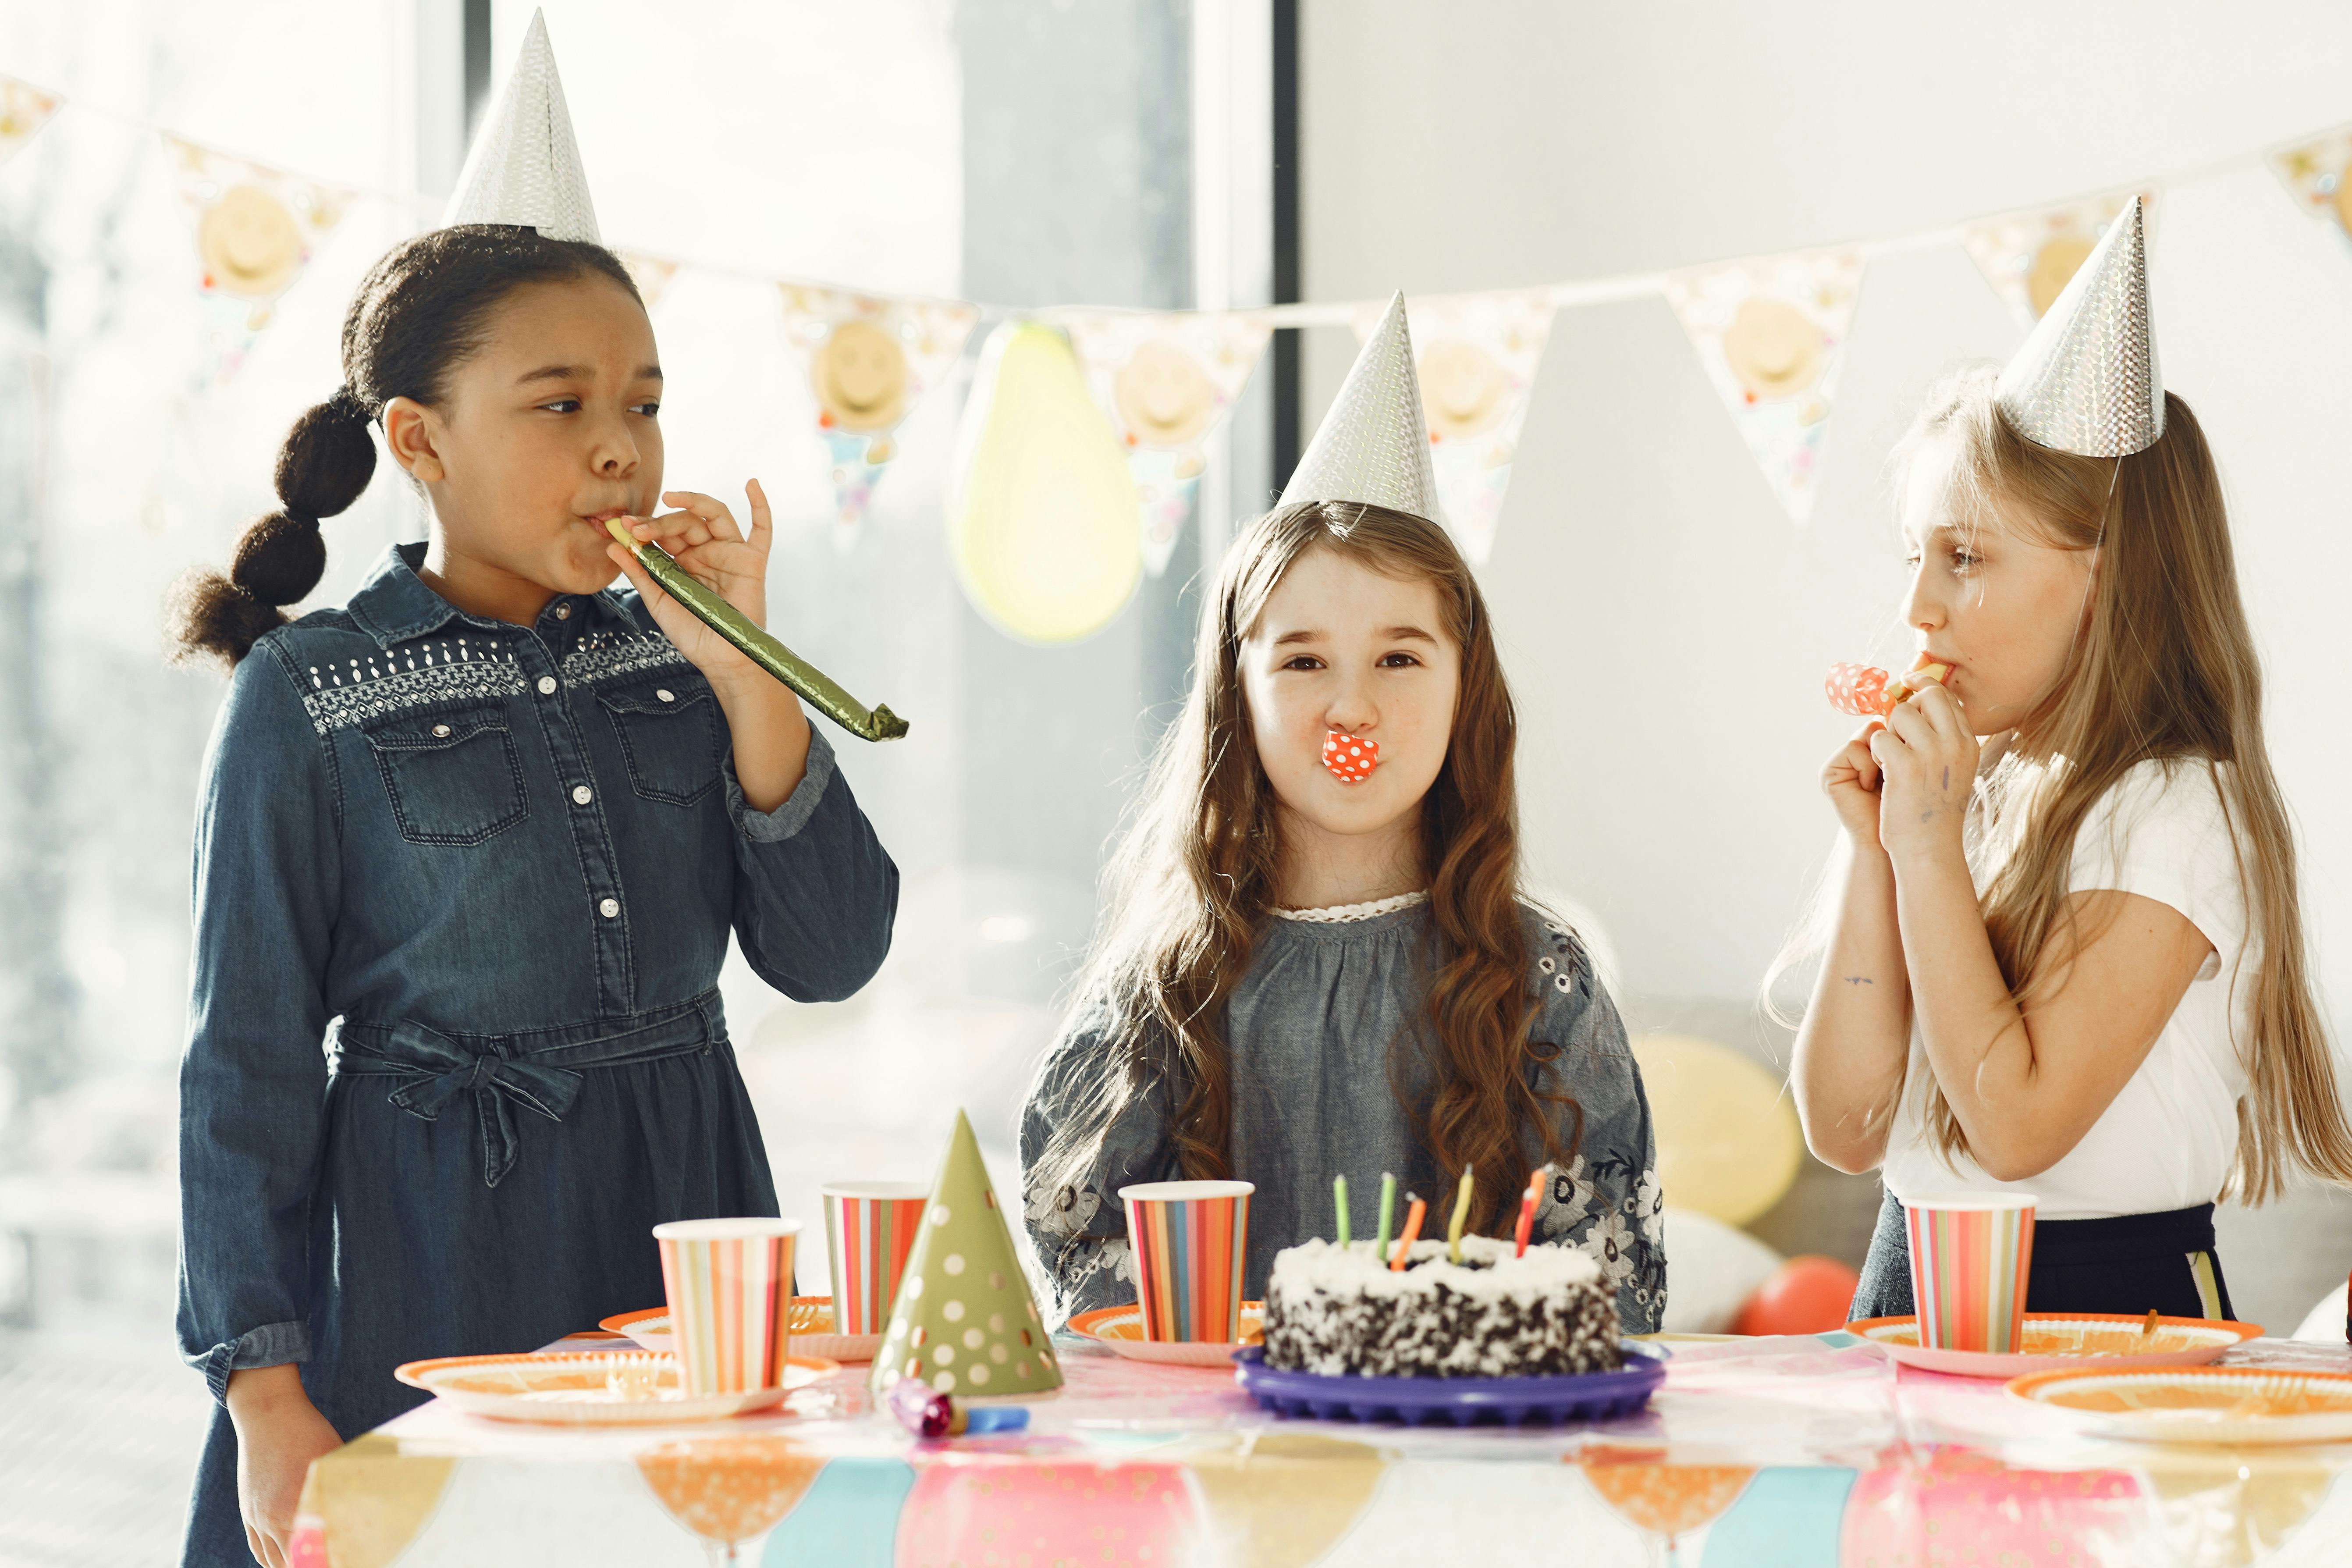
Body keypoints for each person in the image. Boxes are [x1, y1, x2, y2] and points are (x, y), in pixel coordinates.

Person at [169, 23, 898, 1568]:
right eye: (560, 406)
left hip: (689, 1241)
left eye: (643, 402)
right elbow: (243, 1064)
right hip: (432, 1254)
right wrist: (264, 1388)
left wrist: (741, 668)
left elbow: (830, 952)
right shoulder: (303, 692)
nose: (621, 451)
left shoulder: (682, 661)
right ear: (420, 440)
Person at [1020, 295, 1663, 1332]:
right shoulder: (1168, 982)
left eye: (1400, 657)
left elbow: (1605, 1270)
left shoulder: (1540, 978)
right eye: (1304, 659)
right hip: (1227, 1465)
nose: (1351, 705)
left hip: (1469, 1460)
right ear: (1239, 693)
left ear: (1466, 692)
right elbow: (1077, 1226)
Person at [1785, 200, 2352, 1320]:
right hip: (1908, 1289)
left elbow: (2014, 1127)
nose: (1915, 606)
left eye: (1963, 557)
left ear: (2108, 578)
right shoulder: (1963, 798)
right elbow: (1845, 1130)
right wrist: (1878, 855)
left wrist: (1930, 852)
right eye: (1914, 555)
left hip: (2108, 1314)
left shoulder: (2180, 811)